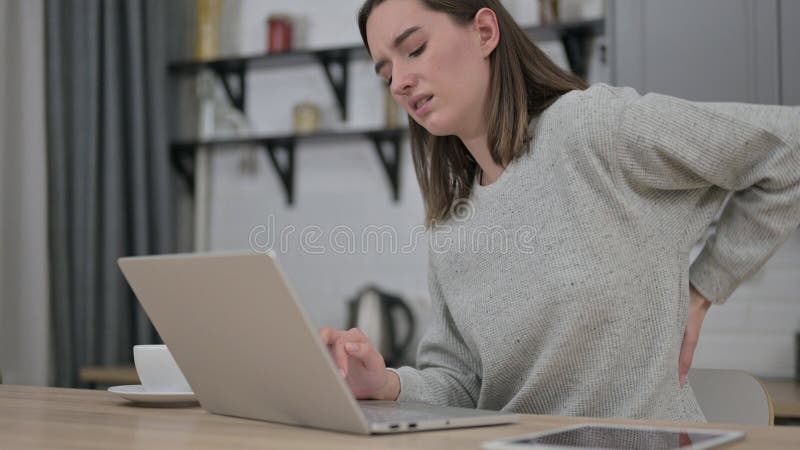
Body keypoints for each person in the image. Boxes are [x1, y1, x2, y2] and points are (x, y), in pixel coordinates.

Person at [320, 0, 800, 422]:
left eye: (415, 49)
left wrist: (702, 290)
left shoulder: (588, 128)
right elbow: (464, 386)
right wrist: (384, 385)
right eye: (385, 74)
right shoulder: (453, 224)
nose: (400, 82)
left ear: (485, 32)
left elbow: (789, 150)